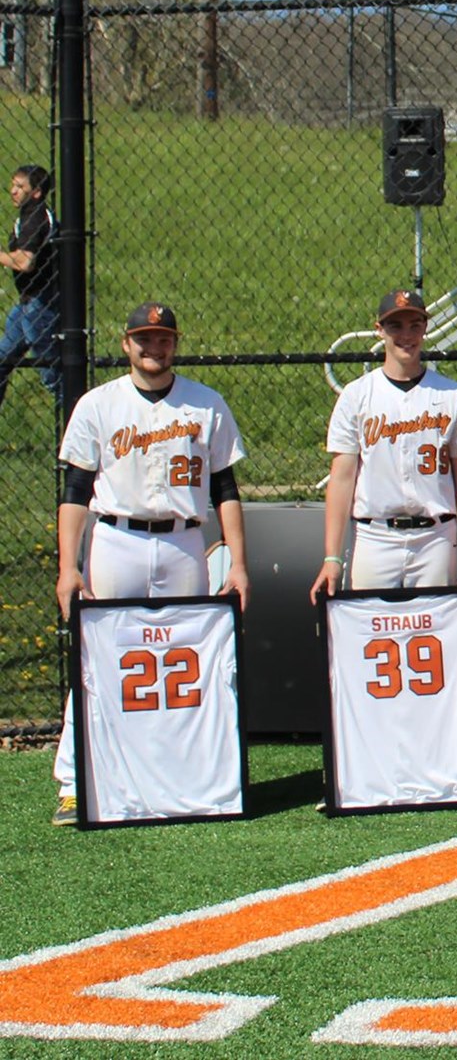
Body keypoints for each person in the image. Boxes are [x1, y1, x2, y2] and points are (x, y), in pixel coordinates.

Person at [50, 302, 250, 825]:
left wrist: (238, 563)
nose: (152, 347)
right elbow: (74, 490)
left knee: (182, 662)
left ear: (175, 343)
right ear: (126, 345)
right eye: (143, 338)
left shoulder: (206, 404)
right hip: (118, 539)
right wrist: (68, 566)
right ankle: (75, 782)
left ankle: (180, 776)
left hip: (184, 542)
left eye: (162, 338)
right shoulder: (98, 404)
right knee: (99, 660)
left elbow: (224, 487)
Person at [310, 290, 457, 601]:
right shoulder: (357, 395)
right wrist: (332, 557)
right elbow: (341, 478)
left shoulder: (453, 395)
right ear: (379, 330)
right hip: (375, 535)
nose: (406, 335)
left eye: (415, 325)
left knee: (436, 631)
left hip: (436, 536)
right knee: (370, 628)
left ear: (425, 328)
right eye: (396, 326)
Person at [0, 164, 61, 410]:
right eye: (13, 185)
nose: (13, 191)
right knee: (2, 359)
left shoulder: (37, 216)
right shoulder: (27, 214)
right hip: (28, 303)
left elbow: (25, 261)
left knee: (52, 375)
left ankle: (75, 418)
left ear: (36, 192)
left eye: (20, 186)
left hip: (42, 304)